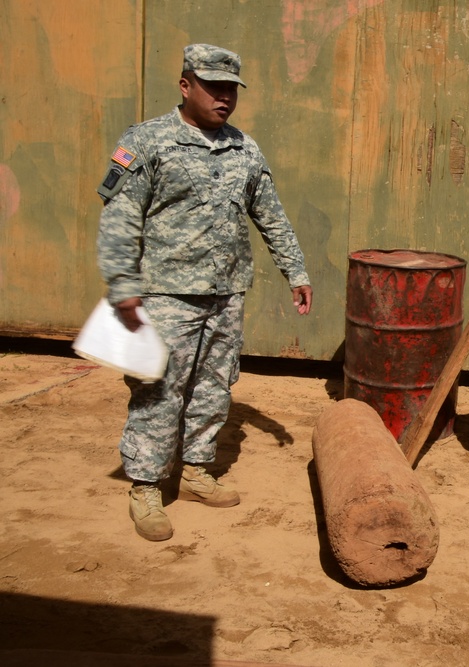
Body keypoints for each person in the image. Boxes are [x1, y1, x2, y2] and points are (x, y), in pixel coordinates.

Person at [96, 44, 313, 542]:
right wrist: (123, 285)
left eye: (230, 89)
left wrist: (296, 272)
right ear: (185, 85)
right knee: (158, 390)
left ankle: (195, 471)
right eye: (212, 86)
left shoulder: (244, 148)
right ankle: (146, 484)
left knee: (215, 387)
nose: (223, 97)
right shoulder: (147, 141)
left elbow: (271, 216)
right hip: (164, 293)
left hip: (226, 293)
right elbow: (121, 220)